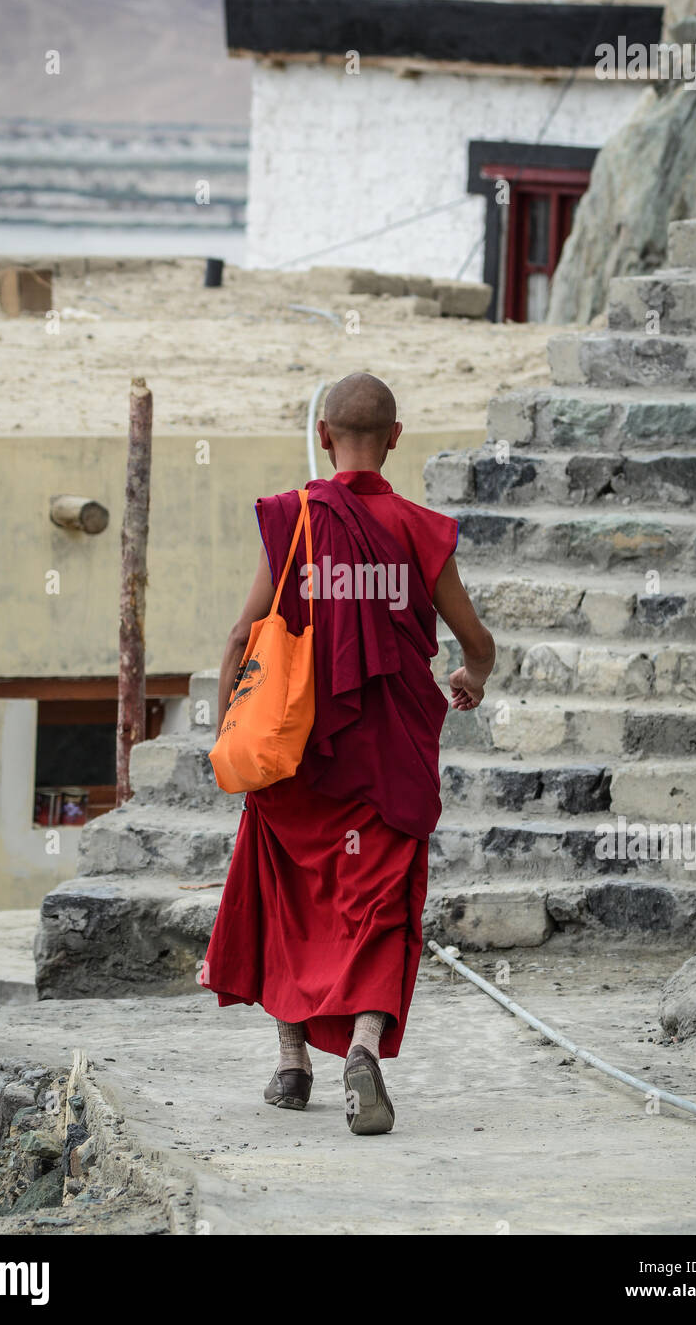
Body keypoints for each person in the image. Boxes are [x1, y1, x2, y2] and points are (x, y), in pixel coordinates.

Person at [201, 372, 496, 1134]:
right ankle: (363, 1046)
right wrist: (473, 678)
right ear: (396, 438)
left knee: (289, 895)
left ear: (325, 435)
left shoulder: (294, 519)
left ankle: (292, 1064)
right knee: (379, 906)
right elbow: (477, 641)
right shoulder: (420, 530)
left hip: (297, 754)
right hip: (388, 758)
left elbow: (241, 635)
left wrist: (230, 726)